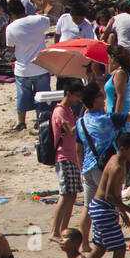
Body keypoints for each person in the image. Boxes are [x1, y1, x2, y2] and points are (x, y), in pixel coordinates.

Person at [88, 131, 130, 258]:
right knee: (119, 249)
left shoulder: (117, 160)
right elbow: (108, 195)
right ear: (122, 148)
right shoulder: (117, 167)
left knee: (100, 247)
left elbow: (115, 192)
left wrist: (121, 211)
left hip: (102, 208)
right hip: (103, 208)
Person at [5, 0, 52, 130]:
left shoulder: (11, 28)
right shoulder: (39, 20)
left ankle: (21, 122)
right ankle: (41, 120)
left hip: (23, 68)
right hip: (41, 66)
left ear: (11, 13)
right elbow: (50, 22)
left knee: (22, 96)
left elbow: (10, 48)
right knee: (42, 96)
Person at [49, 80, 85, 245]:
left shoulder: (69, 110)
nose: (78, 99)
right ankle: (54, 231)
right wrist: (83, 120)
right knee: (64, 196)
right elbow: (70, 131)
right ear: (68, 94)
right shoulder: (60, 111)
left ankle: (63, 230)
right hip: (63, 157)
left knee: (71, 196)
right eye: (77, 96)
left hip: (72, 157)